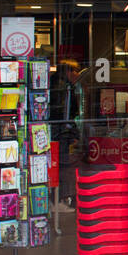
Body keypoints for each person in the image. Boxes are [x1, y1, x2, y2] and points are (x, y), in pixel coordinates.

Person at [51, 59, 85, 212]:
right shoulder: (64, 88)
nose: (77, 75)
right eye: (75, 71)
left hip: (56, 131)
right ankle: (58, 200)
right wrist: (72, 132)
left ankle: (56, 199)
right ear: (67, 72)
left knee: (56, 165)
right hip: (60, 133)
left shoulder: (58, 85)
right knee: (62, 166)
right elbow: (66, 114)